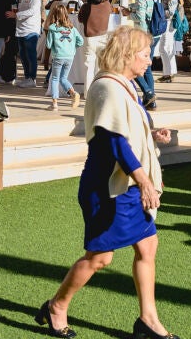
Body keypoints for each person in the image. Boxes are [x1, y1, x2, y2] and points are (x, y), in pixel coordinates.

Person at [37, 26, 178, 339]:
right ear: (127, 55)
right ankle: (57, 306)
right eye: (144, 54)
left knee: (148, 245)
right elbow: (113, 140)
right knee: (100, 258)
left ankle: (149, 320)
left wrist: (151, 136)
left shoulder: (123, 84)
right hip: (108, 188)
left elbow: (124, 134)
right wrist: (143, 180)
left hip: (125, 184)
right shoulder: (108, 87)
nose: (148, 59)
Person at [123, 0, 160, 109]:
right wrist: (131, 9)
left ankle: (148, 92)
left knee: (133, 64)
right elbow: (147, 11)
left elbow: (140, 18)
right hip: (156, 34)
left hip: (144, 35)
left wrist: (128, 13)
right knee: (147, 68)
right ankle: (151, 101)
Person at [45, 4, 84, 111]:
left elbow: (48, 45)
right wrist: (72, 48)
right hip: (70, 57)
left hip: (58, 56)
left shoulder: (52, 29)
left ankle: (54, 104)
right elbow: (81, 41)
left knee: (55, 78)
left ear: (54, 15)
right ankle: (73, 93)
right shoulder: (72, 29)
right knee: (63, 78)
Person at [80, 0, 114, 92]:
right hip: (103, 38)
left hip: (90, 39)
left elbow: (80, 19)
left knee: (88, 67)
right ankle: (98, 91)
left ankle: (87, 93)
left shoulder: (86, 7)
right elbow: (108, 1)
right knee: (100, 67)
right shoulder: (107, 5)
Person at [13, 0, 44, 88]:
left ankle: (32, 78)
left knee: (31, 55)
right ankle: (27, 77)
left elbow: (32, 11)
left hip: (31, 30)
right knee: (23, 55)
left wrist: (16, 14)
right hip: (21, 29)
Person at [155, 0, 181, 83]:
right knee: (169, 48)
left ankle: (167, 74)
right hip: (170, 24)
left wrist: (159, 11)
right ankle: (171, 72)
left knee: (163, 48)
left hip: (168, 23)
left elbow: (170, 12)